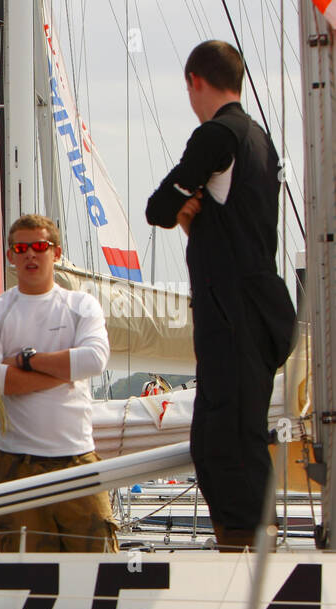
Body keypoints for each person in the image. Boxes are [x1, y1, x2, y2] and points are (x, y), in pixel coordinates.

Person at [145, 40, 296, 551]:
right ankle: (250, 543)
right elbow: (233, 223)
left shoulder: (216, 135)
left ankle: (242, 552)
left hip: (231, 310)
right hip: (259, 304)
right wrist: (199, 220)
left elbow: (160, 206)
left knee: (225, 438)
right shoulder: (260, 139)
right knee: (233, 433)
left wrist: (185, 210)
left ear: (194, 81)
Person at [0, 214, 115, 553]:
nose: (30, 255)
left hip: (77, 458)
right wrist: (62, 372)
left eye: (40, 246)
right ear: (10, 255)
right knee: (17, 575)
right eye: (21, 248)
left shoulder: (81, 305)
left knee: (99, 565)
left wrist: (25, 361)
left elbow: (95, 359)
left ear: (56, 252)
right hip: (15, 462)